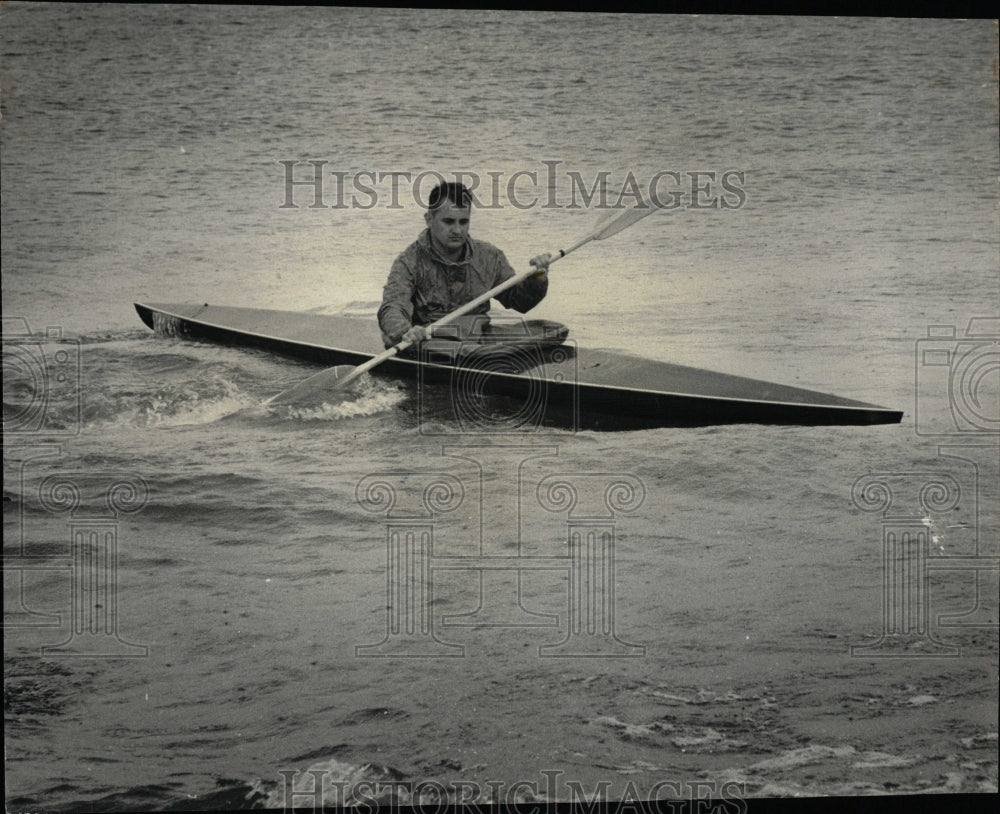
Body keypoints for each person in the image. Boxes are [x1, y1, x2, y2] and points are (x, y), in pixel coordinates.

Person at [378, 181, 552, 348]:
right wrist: (405, 332)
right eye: (448, 222)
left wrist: (536, 279)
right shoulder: (408, 262)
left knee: (551, 330)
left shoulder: (490, 256)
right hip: (429, 341)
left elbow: (520, 302)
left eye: (463, 222)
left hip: (476, 339)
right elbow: (392, 307)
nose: (457, 230)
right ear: (429, 219)